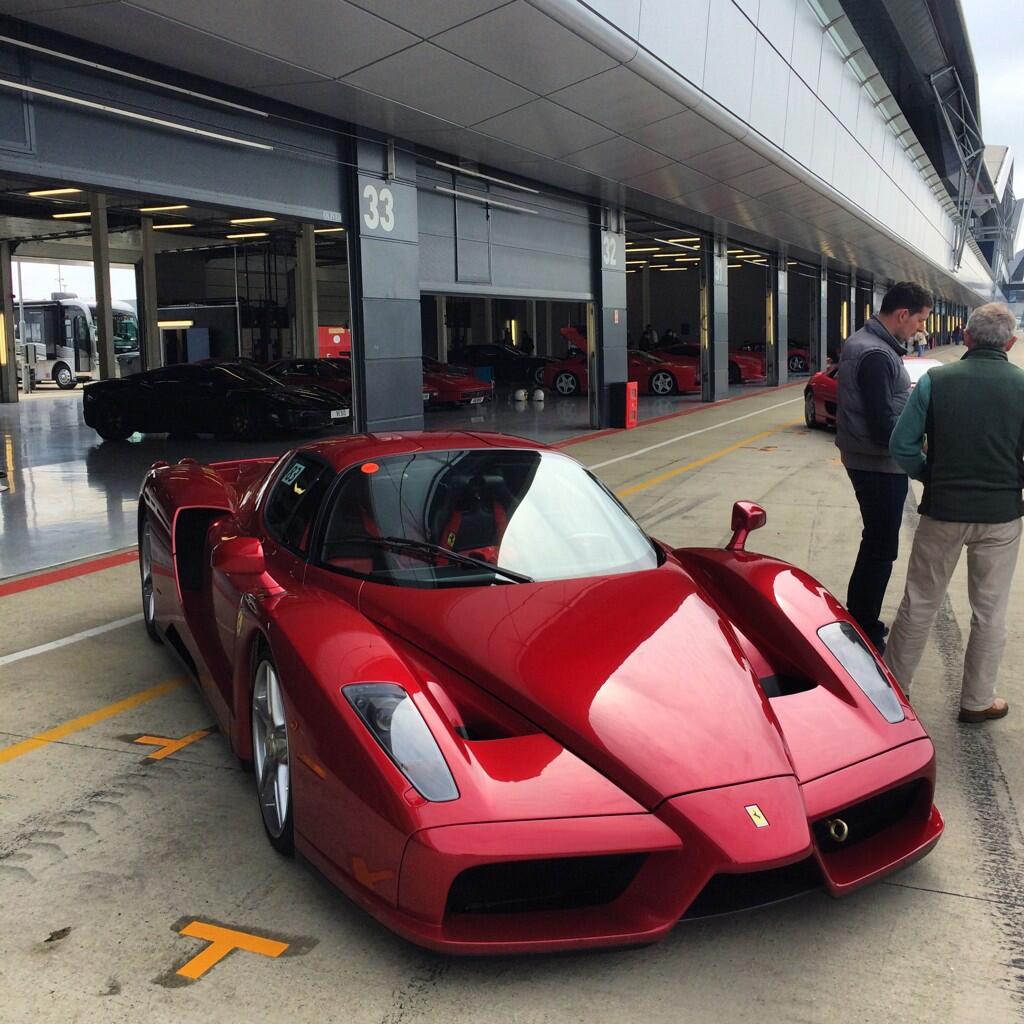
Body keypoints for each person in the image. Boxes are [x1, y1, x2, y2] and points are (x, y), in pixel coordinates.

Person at [884, 303, 1023, 722]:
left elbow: (901, 446)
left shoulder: (936, 381)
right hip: (1001, 517)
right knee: (990, 611)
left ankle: (893, 695)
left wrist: (929, 474)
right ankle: (977, 701)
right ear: (1011, 343)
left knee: (920, 601)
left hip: (942, 511)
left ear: (965, 337)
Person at [836, 281, 933, 652]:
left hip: (871, 460)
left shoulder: (869, 344)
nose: (921, 329)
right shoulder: (875, 354)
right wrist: (915, 441)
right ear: (902, 314)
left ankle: (862, 616)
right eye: (920, 321)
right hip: (877, 464)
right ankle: (862, 625)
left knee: (875, 542)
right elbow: (881, 424)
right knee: (880, 546)